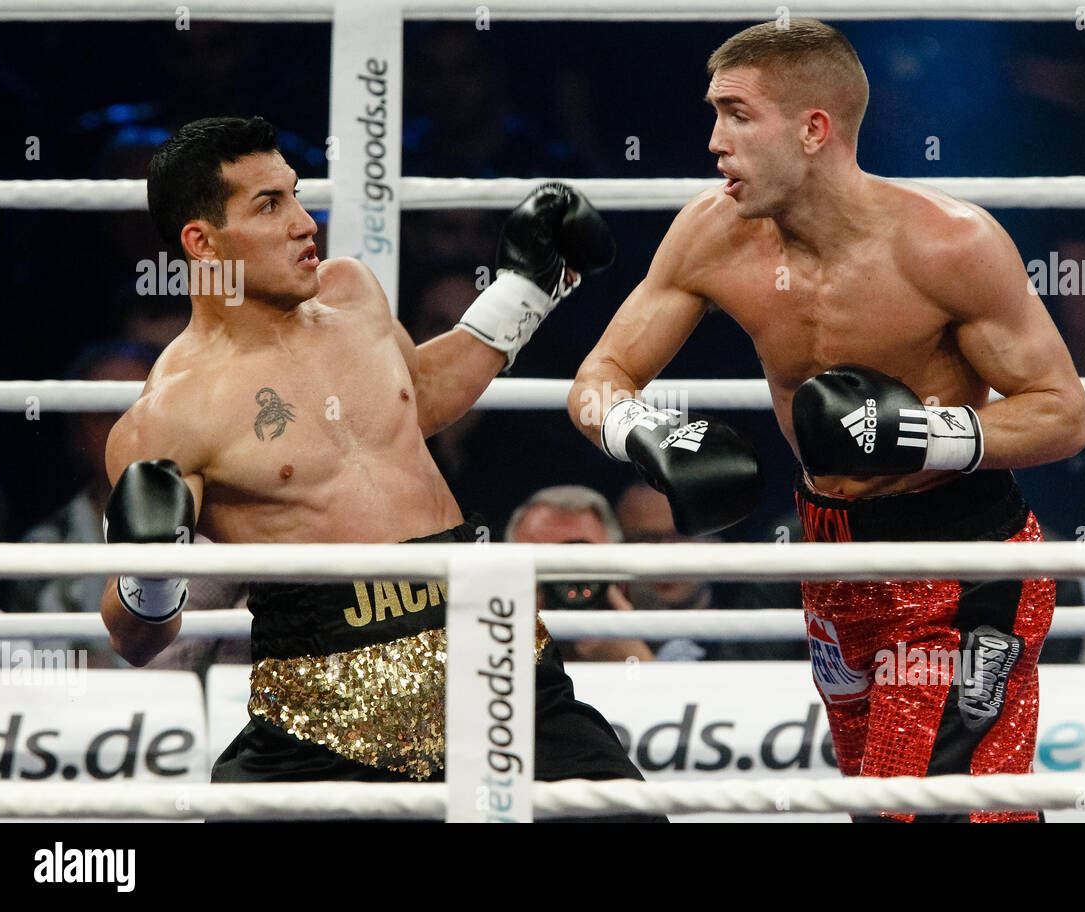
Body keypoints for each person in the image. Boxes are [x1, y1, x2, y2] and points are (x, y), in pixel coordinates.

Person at [568, 20, 1085, 822]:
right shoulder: (713, 234)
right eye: (715, 114)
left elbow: (1064, 415)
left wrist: (920, 435)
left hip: (961, 566)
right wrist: (647, 435)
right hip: (833, 563)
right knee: (940, 809)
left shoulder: (948, 245)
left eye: (739, 115)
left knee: (909, 811)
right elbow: (599, 381)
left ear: (814, 129)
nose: (714, 141)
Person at [98, 116, 662, 821]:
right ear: (202, 242)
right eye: (269, 205)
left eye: (297, 195)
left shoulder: (351, 294)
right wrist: (149, 572)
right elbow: (134, 637)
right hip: (323, 704)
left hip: (489, 655)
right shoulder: (168, 417)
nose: (307, 222)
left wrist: (532, 286)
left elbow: (418, 398)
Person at [615, 481, 805, 661]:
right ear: (618, 544)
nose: (667, 554)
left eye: (681, 536)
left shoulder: (750, 622)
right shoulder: (603, 635)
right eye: (647, 539)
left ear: (713, 539)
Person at [505, 486, 654, 663]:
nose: (563, 582)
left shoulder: (660, 624)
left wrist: (633, 658)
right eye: (543, 566)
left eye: (579, 565)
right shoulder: (485, 638)